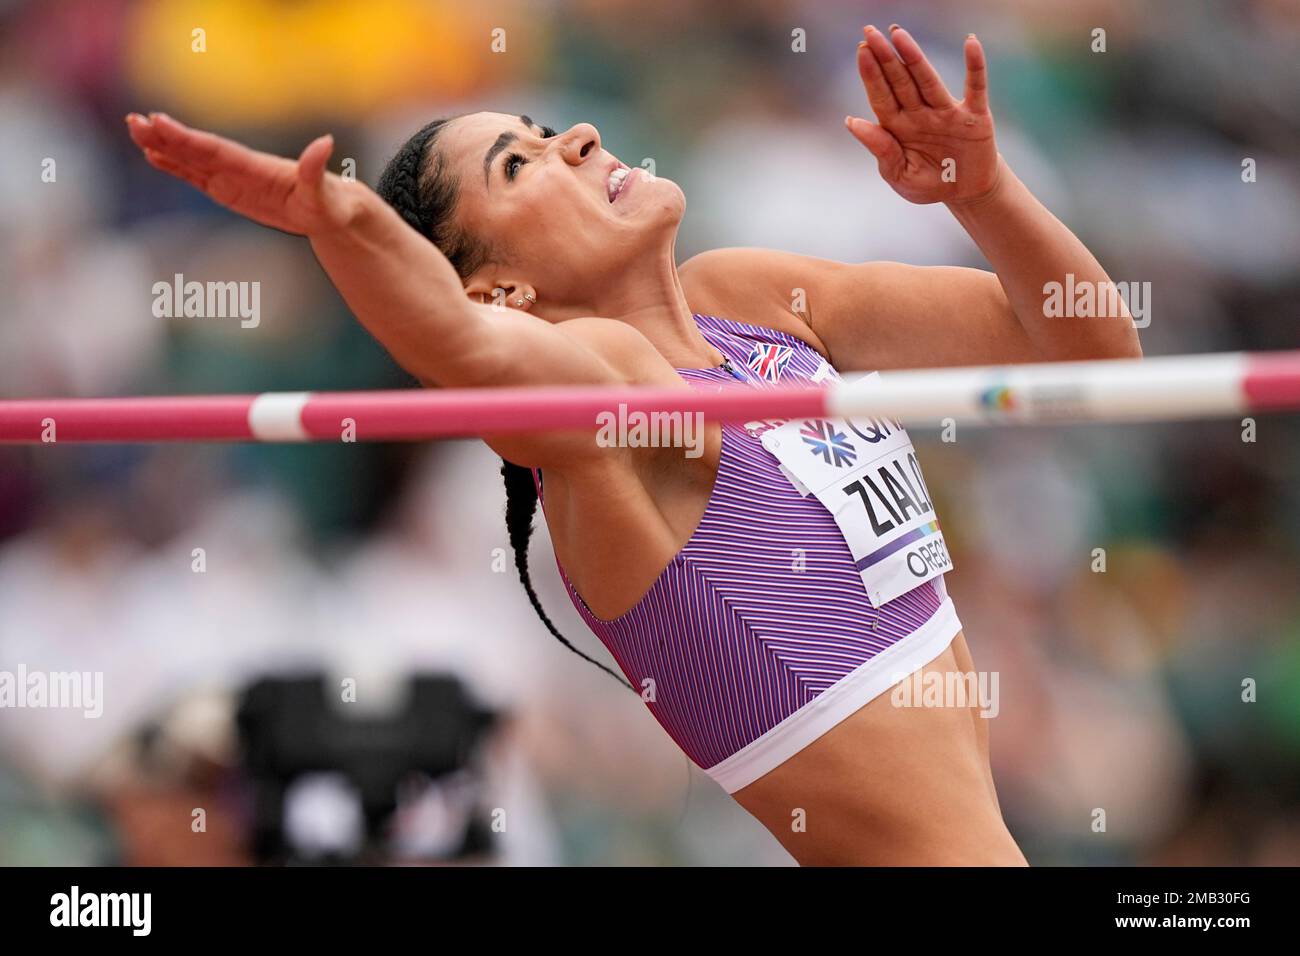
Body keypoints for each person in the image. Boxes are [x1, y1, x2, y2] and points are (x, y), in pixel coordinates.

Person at [127, 25, 1141, 864]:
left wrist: (982, 191)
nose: (574, 140)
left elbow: (1092, 356)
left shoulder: (749, 301)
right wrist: (343, 224)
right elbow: (457, 344)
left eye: (543, 129)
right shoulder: (597, 415)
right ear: (500, 289)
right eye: (518, 165)